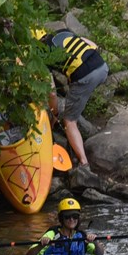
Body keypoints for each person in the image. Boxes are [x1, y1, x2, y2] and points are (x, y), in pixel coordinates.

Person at [33, 27, 107, 171]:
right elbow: (91, 43)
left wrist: (54, 115)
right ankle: (80, 105)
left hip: (86, 77)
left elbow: (52, 93)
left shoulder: (41, 54)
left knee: (69, 121)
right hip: (102, 66)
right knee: (76, 90)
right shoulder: (62, 31)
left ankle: (83, 163)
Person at [29, 197, 101, 255]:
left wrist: (95, 242)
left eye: (75, 216)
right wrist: (41, 245)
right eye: (67, 217)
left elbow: (99, 253)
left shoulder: (81, 236)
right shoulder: (53, 234)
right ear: (61, 218)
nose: (71, 219)